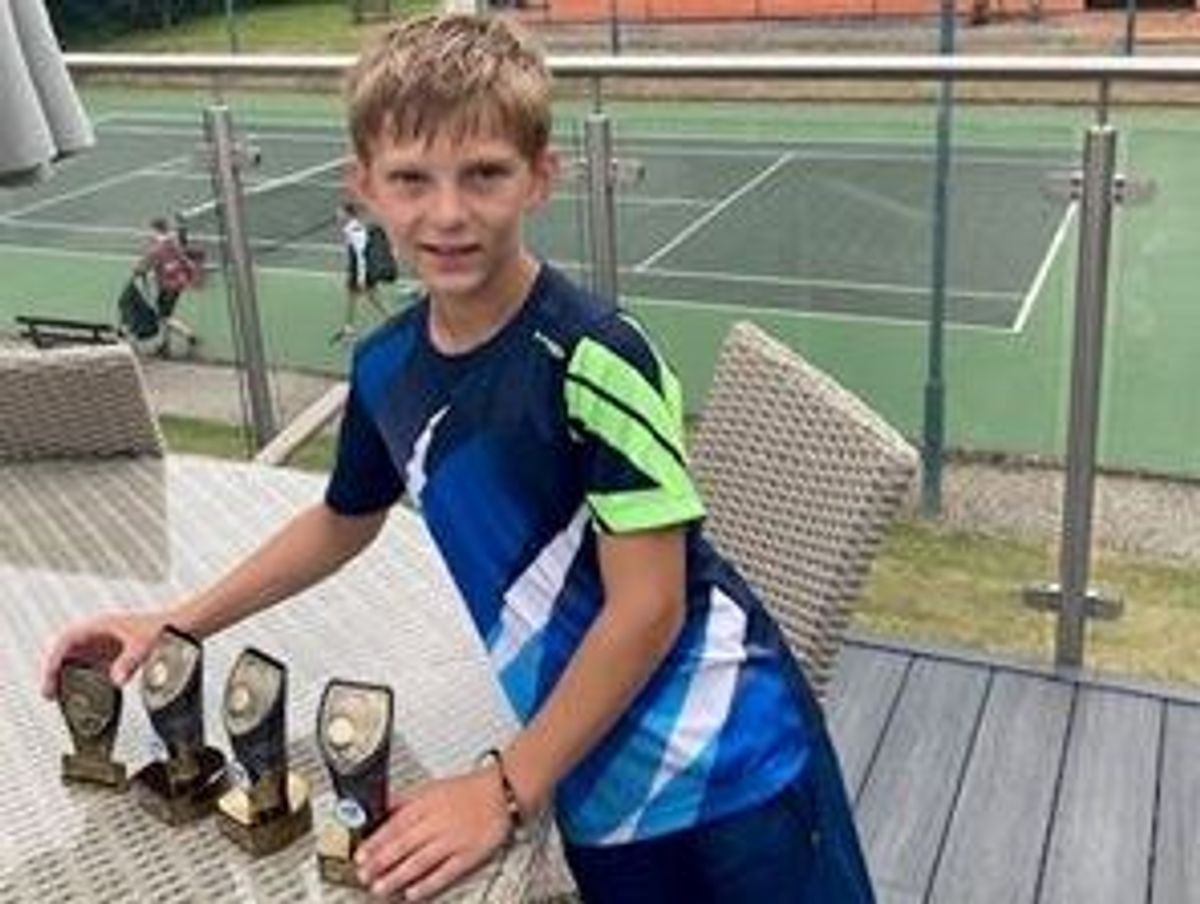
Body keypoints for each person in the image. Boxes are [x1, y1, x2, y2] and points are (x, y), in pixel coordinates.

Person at [40, 14, 874, 903]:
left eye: (484, 174)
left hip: (736, 765)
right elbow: (341, 519)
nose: (447, 213)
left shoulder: (596, 358)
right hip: (590, 778)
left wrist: (504, 787)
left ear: (539, 177)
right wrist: (179, 622)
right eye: (411, 179)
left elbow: (650, 609)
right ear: (364, 188)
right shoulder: (388, 365)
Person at [133, 216, 199, 354]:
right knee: (166, 315)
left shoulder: (156, 249)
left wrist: (138, 269)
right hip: (178, 284)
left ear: (155, 230)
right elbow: (185, 260)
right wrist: (191, 276)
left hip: (168, 286)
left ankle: (188, 334)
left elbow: (142, 267)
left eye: (151, 230)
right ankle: (165, 345)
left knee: (164, 317)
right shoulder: (173, 243)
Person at [332, 200, 390, 344]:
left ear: (348, 214)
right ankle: (349, 328)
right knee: (358, 296)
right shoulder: (348, 228)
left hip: (362, 269)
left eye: (340, 212)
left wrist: (361, 278)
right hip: (357, 268)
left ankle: (391, 319)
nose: (337, 215)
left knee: (371, 296)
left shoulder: (355, 230)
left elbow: (361, 255)